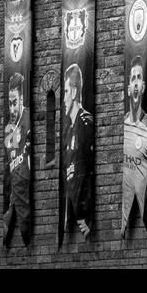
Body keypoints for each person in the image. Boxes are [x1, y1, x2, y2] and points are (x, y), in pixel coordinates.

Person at [121, 57, 147, 236]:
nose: (135, 83)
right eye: (132, 79)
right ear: (128, 89)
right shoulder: (123, 125)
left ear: (143, 87)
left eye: (138, 78)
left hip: (145, 204)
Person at [61, 64, 93, 240]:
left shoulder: (86, 123)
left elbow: (89, 170)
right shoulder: (68, 130)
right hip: (74, 212)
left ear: (73, 93)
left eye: (65, 92)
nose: (64, 98)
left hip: (85, 216)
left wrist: (85, 215)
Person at [2, 73, 31, 246]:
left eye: (15, 103)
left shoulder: (27, 120)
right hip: (12, 196)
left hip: (25, 196)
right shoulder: (9, 128)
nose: (11, 110)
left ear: (21, 99)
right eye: (9, 104)